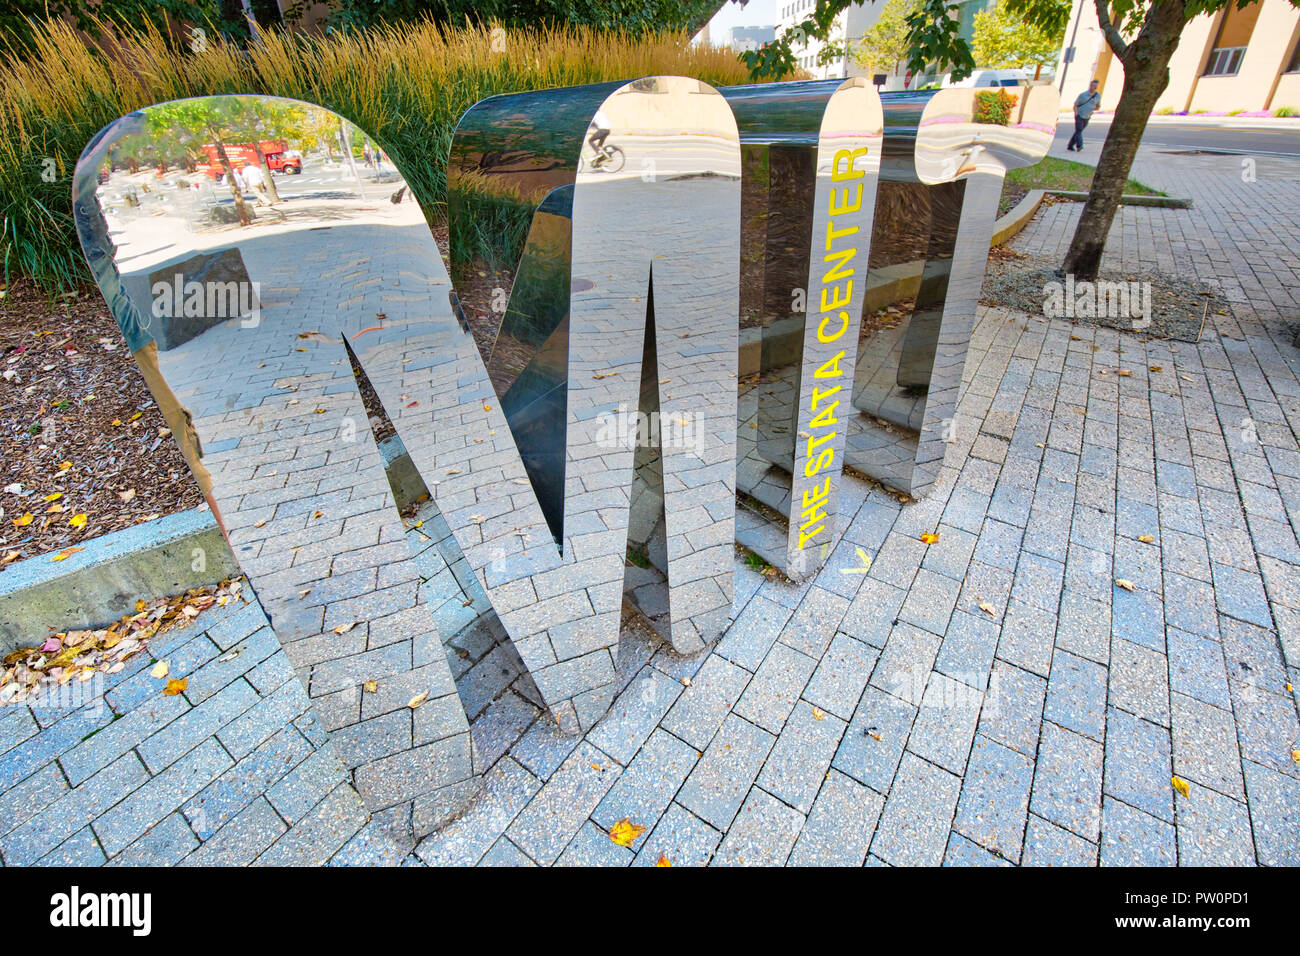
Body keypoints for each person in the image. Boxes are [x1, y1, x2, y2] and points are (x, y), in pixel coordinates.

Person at [1067, 80, 1102, 152]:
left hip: (1087, 116)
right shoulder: (1083, 95)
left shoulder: (1098, 95)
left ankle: (1070, 145)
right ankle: (1079, 145)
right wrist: (1076, 114)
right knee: (1079, 130)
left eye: (1096, 87)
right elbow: (1076, 105)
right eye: (1093, 86)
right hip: (1079, 115)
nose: (1094, 88)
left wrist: (1094, 108)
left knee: (1078, 131)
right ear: (1090, 86)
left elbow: (1098, 106)